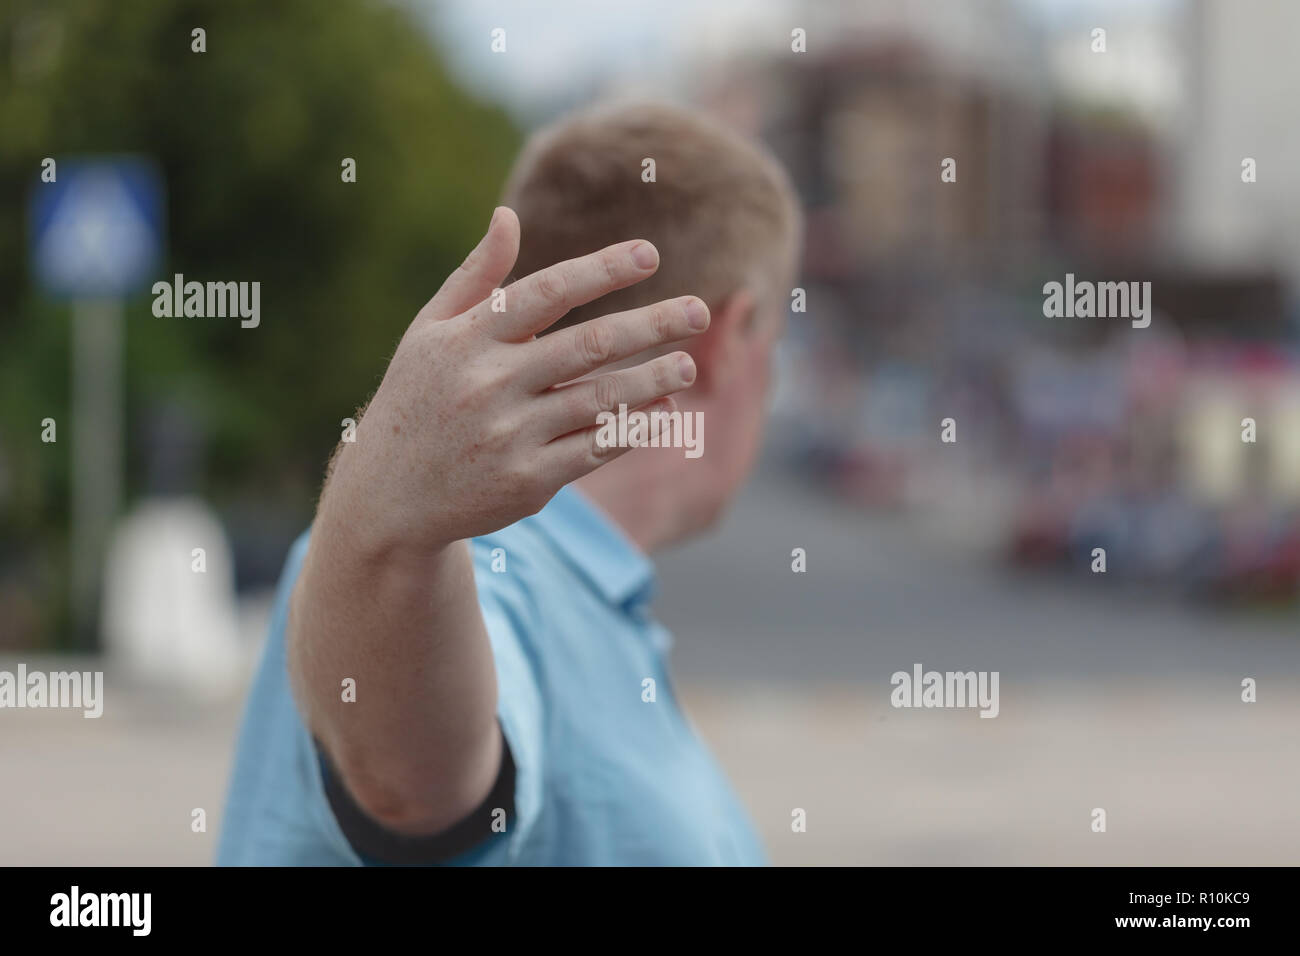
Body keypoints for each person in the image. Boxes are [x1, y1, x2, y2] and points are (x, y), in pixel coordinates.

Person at [217, 102, 802, 865]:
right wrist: (384, 521)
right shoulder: (470, 562)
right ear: (734, 337)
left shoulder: (584, 595)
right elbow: (411, 790)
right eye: (777, 347)